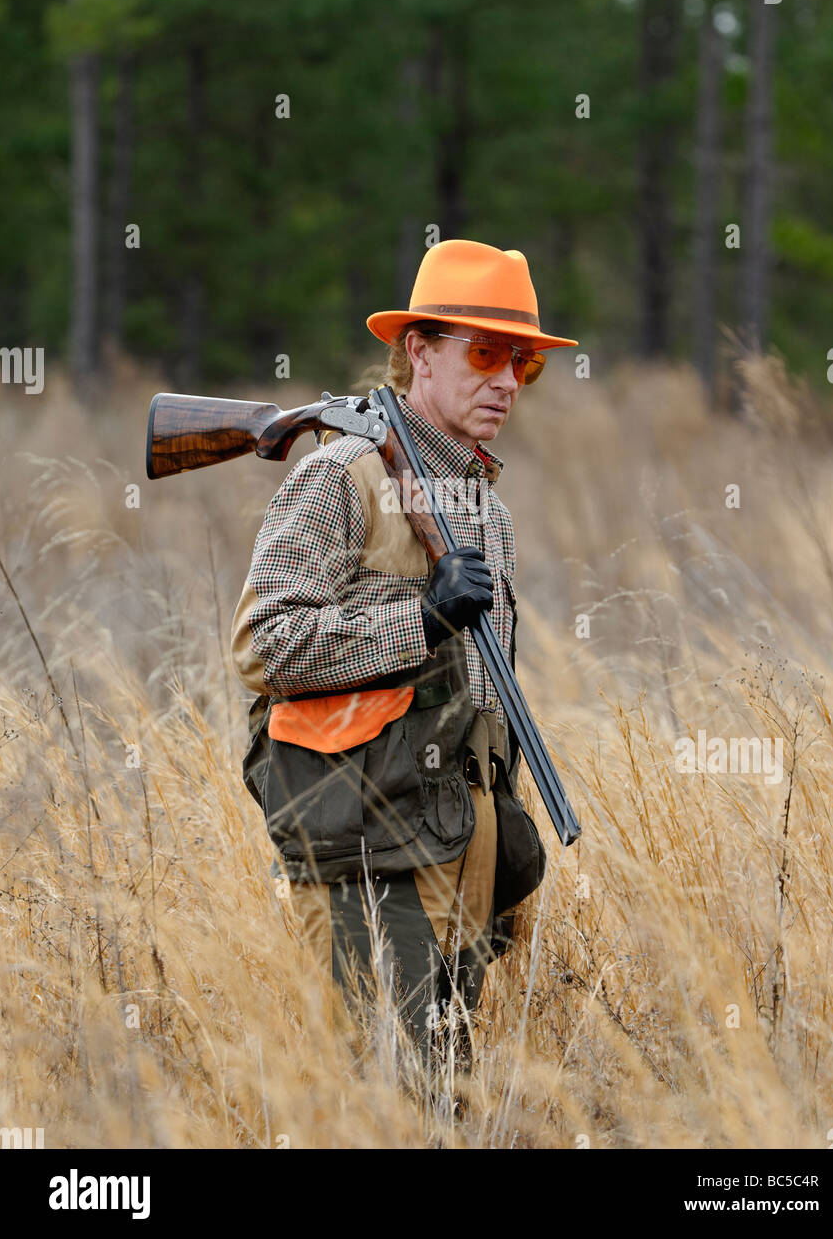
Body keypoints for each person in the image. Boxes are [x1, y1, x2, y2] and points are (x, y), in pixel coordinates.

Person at [230, 238, 577, 1059]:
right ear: (417, 351)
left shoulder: (482, 505)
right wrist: (420, 623)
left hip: (462, 845)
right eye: (485, 353)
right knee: (384, 1097)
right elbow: (262, 645)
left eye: (522, 364)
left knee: (446, 1095)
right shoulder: (342, 477)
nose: (504, 381)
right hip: (365, 855)